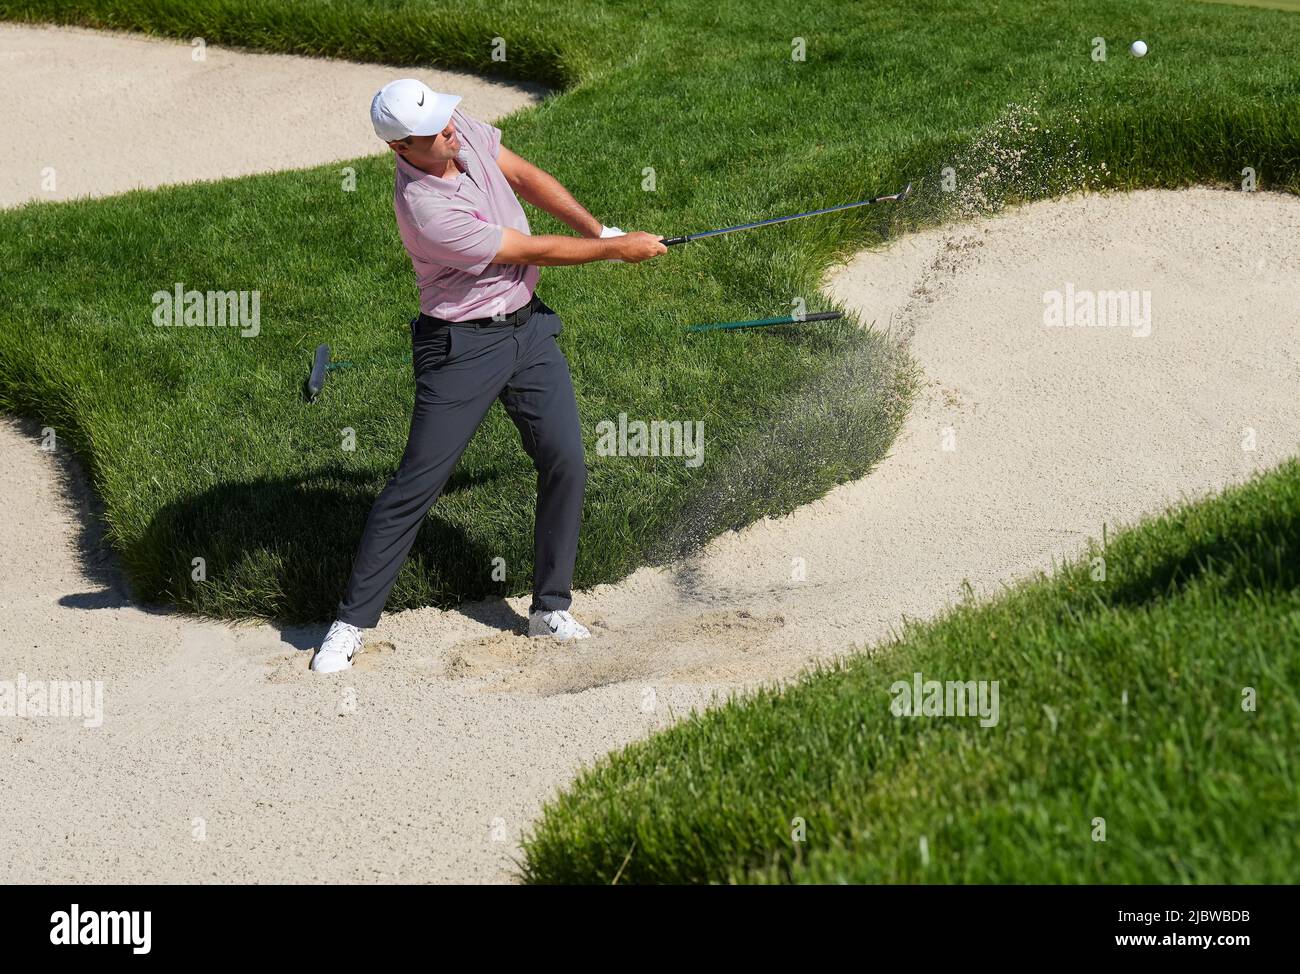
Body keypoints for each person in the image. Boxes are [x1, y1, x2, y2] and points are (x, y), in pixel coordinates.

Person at [312, 79, 666, 673]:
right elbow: (527, 249)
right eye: (436, 132)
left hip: (529, 331)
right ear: (402, 149)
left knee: (566, 459)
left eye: (448, 120)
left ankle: (549, 607)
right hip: (461, 348)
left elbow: (523, 175)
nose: (452, 130)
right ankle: (349, 624)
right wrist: (616, 252)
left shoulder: (454, 130)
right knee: (416, 485)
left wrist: (598, 229)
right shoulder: (425, 209)